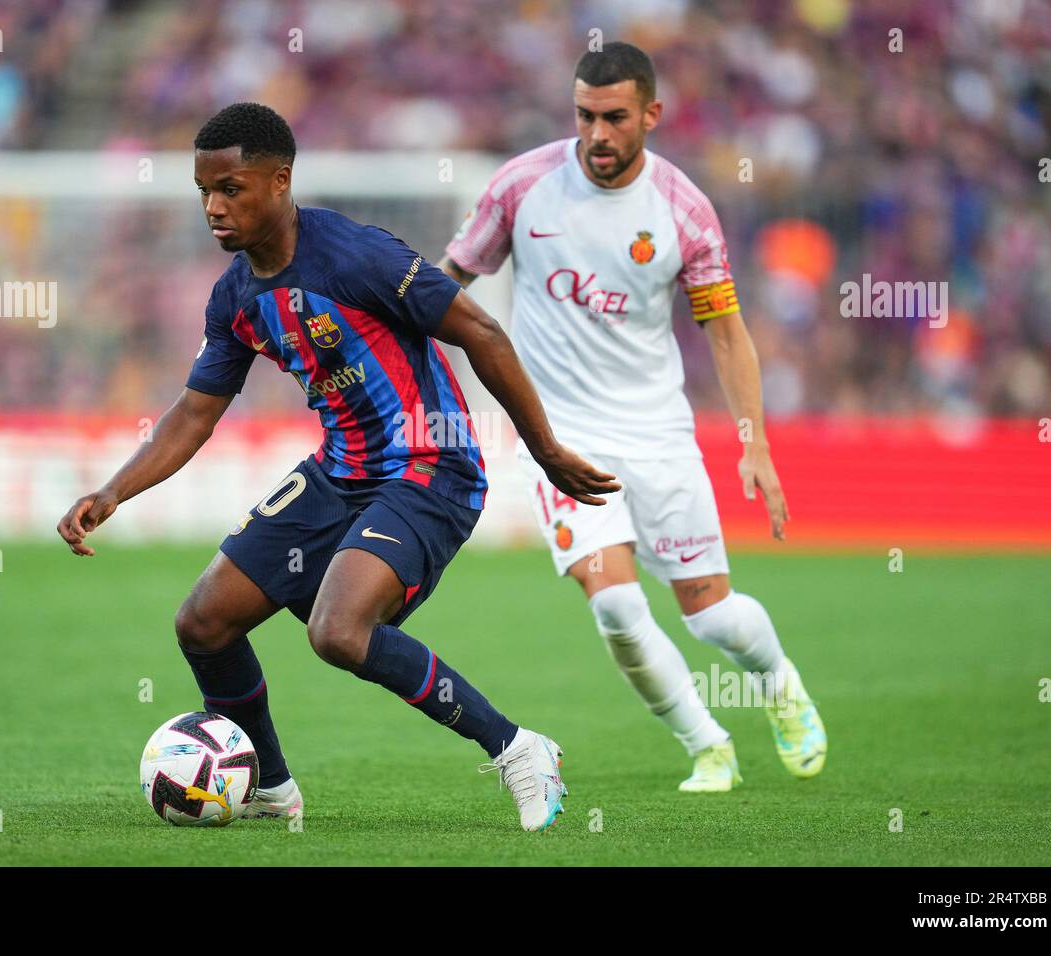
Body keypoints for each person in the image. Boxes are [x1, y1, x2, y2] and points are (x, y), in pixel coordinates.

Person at [57, 102, 619, 831]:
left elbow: (480, 331)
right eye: (205, 191)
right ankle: (270, 789)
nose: (214, 207)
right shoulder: (235, 295)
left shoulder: (357, 257)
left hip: (431, 465)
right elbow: (196, 412)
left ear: (280, 181)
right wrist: (112, 490)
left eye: (231, 189)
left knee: (338, 632)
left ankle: (517, 748)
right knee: (203, 623)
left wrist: (543, 450)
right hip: (340, 473)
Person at [438, 43, 826, 792]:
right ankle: (707, 744)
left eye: (614, 118)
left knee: (712, 617)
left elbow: (726, 329)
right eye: (584, 116)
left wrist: (755, 443)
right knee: (615, 603)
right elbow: (450, 278)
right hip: (559, 435)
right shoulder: (522, 187)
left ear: (651, 113)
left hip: (657, 434)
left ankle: (779, 682)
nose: (596, 135)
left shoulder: (682, 210)